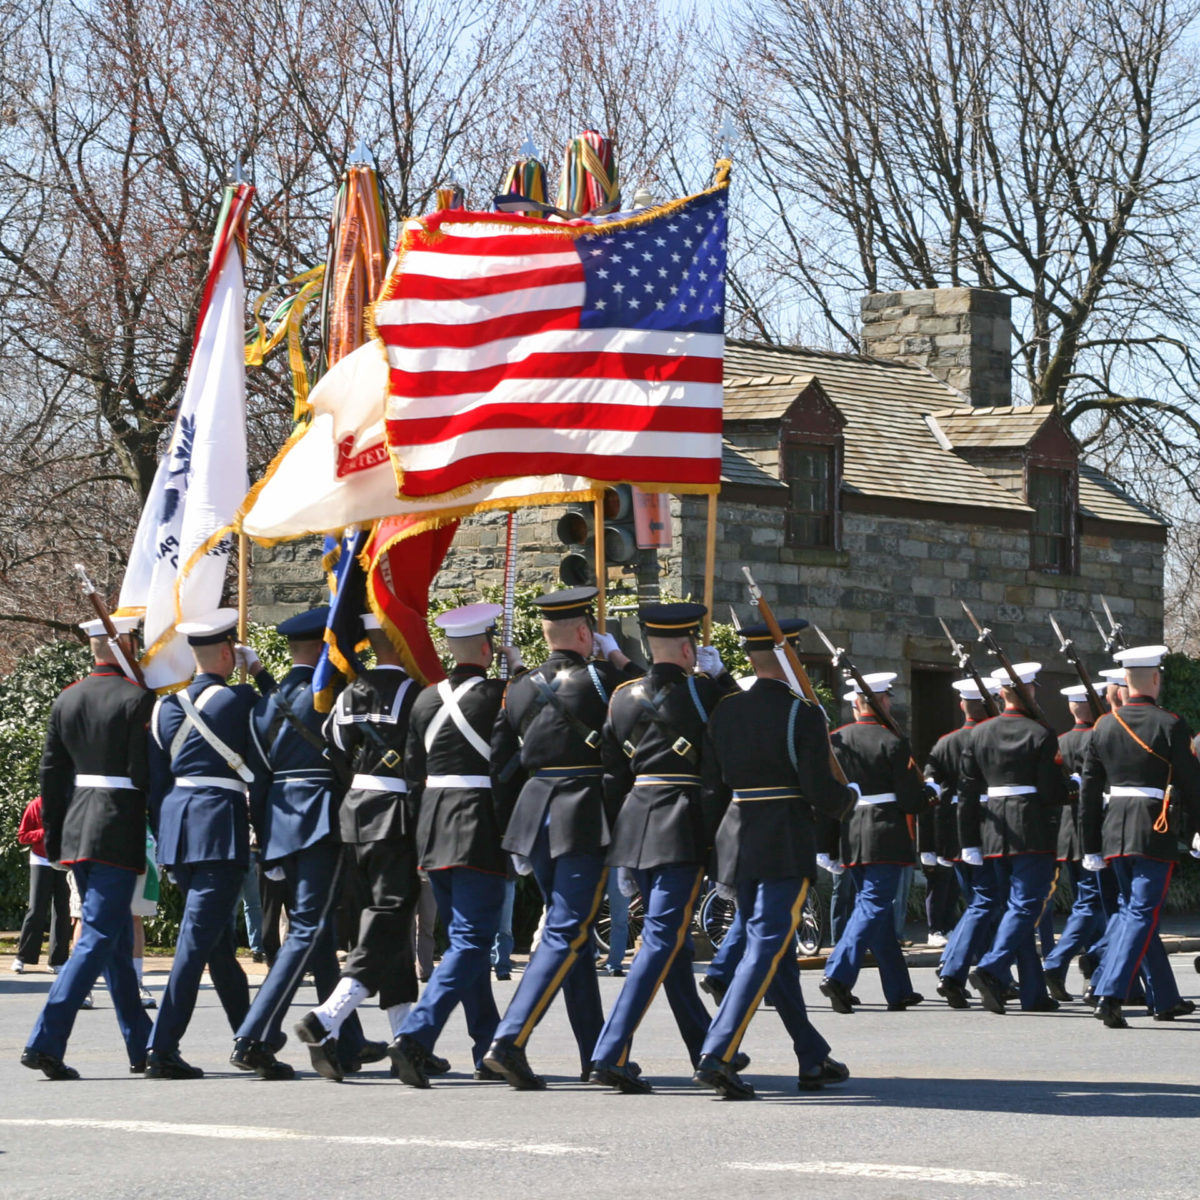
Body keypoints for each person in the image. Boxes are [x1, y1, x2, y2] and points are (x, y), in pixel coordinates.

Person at [482, 586, 640, 1090]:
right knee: (567, 928)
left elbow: (501, 762)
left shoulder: (519, 686)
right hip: (581, 814)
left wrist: (512, 830)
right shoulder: (602, 678)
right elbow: (650, 700)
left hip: (535, 813)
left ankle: (595, 1052)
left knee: (574, 939)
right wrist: (619, 657)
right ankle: (509, 1040)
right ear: (585, 633)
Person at [693, 618, 856, 1100]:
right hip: (783, 837)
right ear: (790, 656)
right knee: (766, 944)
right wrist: (847, 798)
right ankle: (718, 1052)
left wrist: (712, 850)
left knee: (777, 953)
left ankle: (811, 1055)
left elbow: (712, 786)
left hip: (737, 835)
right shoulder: (801, 712)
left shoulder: (726, 709)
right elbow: (818, 788)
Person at [589, 602, 733, 1094]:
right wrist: (724, 679)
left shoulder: (621, 696)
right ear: (690, 649)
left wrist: (618, 842)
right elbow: (728, 753)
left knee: (670, 945)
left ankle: (704, 1044)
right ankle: (610, 1052)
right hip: (681, 825)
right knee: (660, 939)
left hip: (635, 822)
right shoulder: (705, 693)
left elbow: (612, 775)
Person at [233, 607, 379, 1080]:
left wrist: (264, 839)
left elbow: (259, 776)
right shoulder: (331, 693)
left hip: (281, 821)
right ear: (323, 649)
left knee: (318, 937)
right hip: (321, 818)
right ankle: (254, 1035)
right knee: (308, 930)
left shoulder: (265, 704)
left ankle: (346, 1040)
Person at [390, 603, 520, 1087]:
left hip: (433, 828)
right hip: (476, 828)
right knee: (471, 942)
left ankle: (487, 1046)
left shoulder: (425, 700)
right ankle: (415, 1036)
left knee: (466, 943)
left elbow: (412, 774)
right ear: (488, 648)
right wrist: (519, 671)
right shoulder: (501, 694)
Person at [21, 615, 155, 1080]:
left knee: (114, 942)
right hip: (116, 827)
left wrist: (55, 836)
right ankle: (45, 1041)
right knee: (98, 934)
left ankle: (143, 1044)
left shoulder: (68, 697)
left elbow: (51, 774)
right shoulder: (138, 698)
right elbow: (146, 775)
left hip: (77, 826)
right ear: (125, 644)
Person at [145, 609, 275, 1079]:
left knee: (218, 947)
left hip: (178, 832)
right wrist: (258, 671)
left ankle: (252, 1040)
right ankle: (161, 1048)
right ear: (227, 652)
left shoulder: (164, 708)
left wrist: (165, 839)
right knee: (195, 944)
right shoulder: (241, 699)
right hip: (218, 829)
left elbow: (156, 786)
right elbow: (284, 713)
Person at [294, 610, 423, 1078]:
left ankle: (407, 1039)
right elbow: (420, 762)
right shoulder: (413, 692)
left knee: (389, 925)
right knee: (389, 918)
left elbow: (334, 747)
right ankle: (327, 1017)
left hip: (354, 815)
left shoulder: (348, 692)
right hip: (394, 815)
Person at [1080, 645, 1200, 1027]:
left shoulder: (1103, 725)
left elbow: (1088, 792)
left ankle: (1164, 998)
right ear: (1156, 679)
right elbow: (1192, 785)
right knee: (1141, 913)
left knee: (1134, 913)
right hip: (1152, 829)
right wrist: (1197, 830)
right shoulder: (1170, 723)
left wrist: (1090, 845)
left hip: (1114, 830)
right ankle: (1109, 992)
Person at [957, 662, 1067, 1014]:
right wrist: (1071, 786)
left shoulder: (979, 733)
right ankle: (991, 967)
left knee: (1013, 912)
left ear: (1001, 694)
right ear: (1028, 690)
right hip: (1030, 829)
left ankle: (1034, 993)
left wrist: (969, 840)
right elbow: (1051, 791)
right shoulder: (1041, 732)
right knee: (1026, 907)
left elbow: (967, 793)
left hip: (992, 830)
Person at [819, 672, 927, 1014]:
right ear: (880, 701)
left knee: (875, 910)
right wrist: (928, 793)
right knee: (874, 904)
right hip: (885, 831)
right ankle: (838, 974)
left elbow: (827, 796)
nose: (890, 704)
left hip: (851, 829)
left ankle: (898, 989)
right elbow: (910, 800)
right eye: (887, 699)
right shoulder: (893, 741)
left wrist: (826, 845)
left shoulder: (835, 741)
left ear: (856, 704)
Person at [927, 677, 1000, 1006]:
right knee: (987, 903)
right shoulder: (994, 737)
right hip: (989, 828)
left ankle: (991, 973)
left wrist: (935, 844)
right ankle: (953, 969)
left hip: (954, 834)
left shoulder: (945, 743)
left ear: (961, 705)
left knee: (979, 905)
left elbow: (932, 790)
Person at [1041, 685, 1110, 1002]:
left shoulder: (1061, 742)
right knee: (1093, 904)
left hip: (1068, 834)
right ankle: (1058, 963)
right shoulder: (1101, 737)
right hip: (1095, 832)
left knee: (1093, 904)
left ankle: (1096, 975)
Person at [14, 795, 71, 975]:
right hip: (40, 860)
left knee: (63, 910)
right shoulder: (35, 805)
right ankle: (22, 957)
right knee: (36, 908)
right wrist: (44, 831)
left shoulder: (71, 803)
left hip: (65, 861)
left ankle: (58, 960)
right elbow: (23, 836)